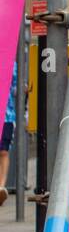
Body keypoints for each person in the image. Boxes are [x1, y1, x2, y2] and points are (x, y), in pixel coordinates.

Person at [0, 63, 17, 207]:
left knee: (4, 151)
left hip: (7, 114)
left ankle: (1, 186)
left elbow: (16, 86)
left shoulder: (12, 63)